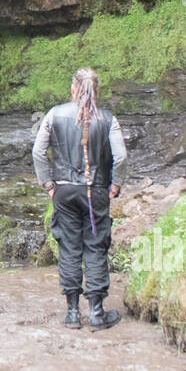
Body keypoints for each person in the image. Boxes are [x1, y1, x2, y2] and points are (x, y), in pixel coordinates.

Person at [33, 67, 128, 331]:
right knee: (96, 246)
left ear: (73, 89)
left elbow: (38, 152)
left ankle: (73, 313)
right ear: (96, 91)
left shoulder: (54, 114)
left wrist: (48, 184)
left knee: (69, 247)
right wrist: (115, 184)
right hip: (95, 190)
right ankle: (97, 313)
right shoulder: (108, 119)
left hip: (63, 192)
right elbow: (120, 157)